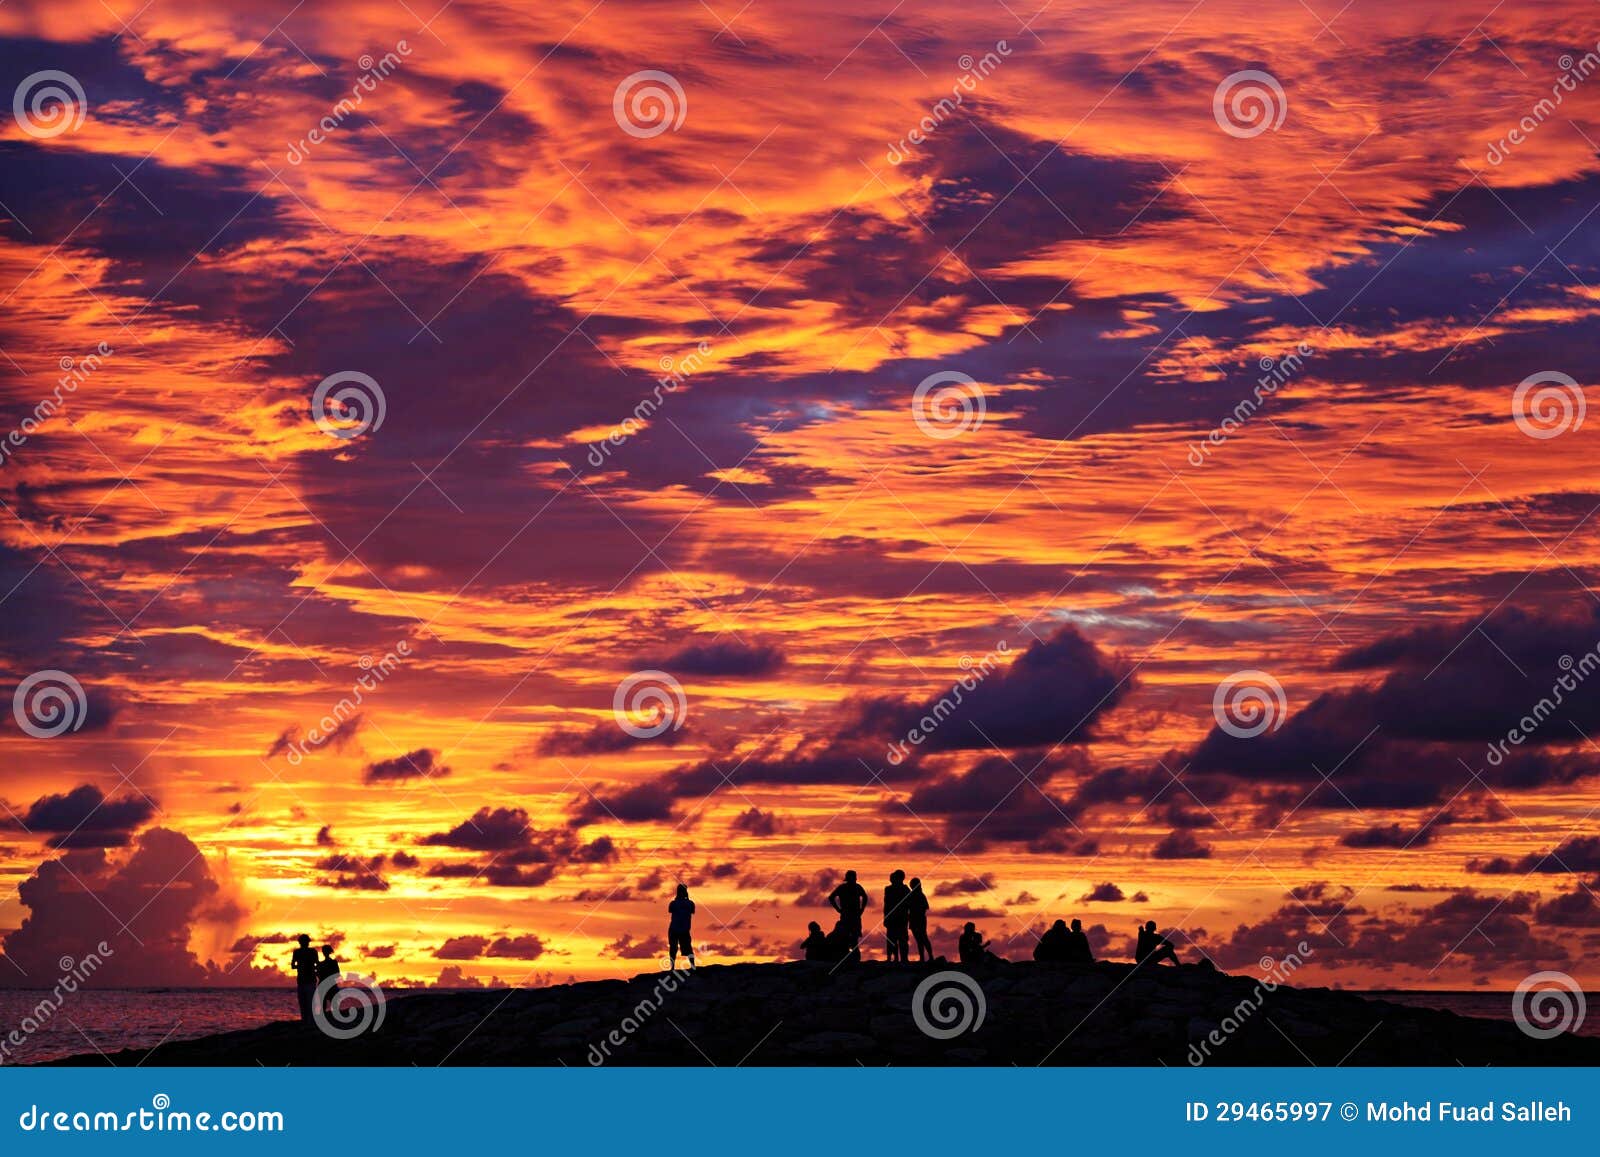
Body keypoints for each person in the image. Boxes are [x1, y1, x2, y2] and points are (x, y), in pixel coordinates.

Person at [827, 870, 870, 951]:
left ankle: (853, 956)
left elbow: (865, 897)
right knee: (847, 936)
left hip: (854, 915)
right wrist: (838, 909)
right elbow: (831, 897)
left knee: (854, 937)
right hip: (847, 915)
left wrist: (862, 909)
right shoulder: (844, 887)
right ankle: (849, 956)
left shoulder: (857, 887)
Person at [883, 869, 911, 962]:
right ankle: (893, 958)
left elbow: (909, 905)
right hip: (895, 917)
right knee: (892, 939)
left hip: (900, 917)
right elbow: (886, 905)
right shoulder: (889, 889)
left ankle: (903, 958)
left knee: (901, 939)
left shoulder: (905, 890)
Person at [290, 934, 318, 1022]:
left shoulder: (298, 952)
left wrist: (300, 966)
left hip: (306, 980)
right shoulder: (312, 951)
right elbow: (317, 964)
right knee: (307, 1001)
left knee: (305, 1002)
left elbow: (293, 966)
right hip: (306, 980)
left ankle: (307, 1020)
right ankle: (308, 1020)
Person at [668, 883, 696, 970]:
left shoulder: (673, 903)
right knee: (682, 947)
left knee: (675, 948)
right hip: (680, 929)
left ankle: (673, 967)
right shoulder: (690, 903)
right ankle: (692, 966)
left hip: (678, 929)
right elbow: (692, 911)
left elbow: (670, 910)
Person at [907, 877, 932, 961]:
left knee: (923, 938)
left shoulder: (920, 895)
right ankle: (923, 957)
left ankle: (929, 956)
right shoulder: (913, 895)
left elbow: (925, 907)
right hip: (914, 919)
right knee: (919, 939)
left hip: (919, 919)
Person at [315, 945, 342, 1014]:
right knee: (331, 1004)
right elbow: (337, 974)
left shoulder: (322, 964)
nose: (324, 952)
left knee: (326, 1004)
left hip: (326, 984)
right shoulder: (331, 962)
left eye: (324, 951)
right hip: (330, 984)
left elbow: (317, 974)